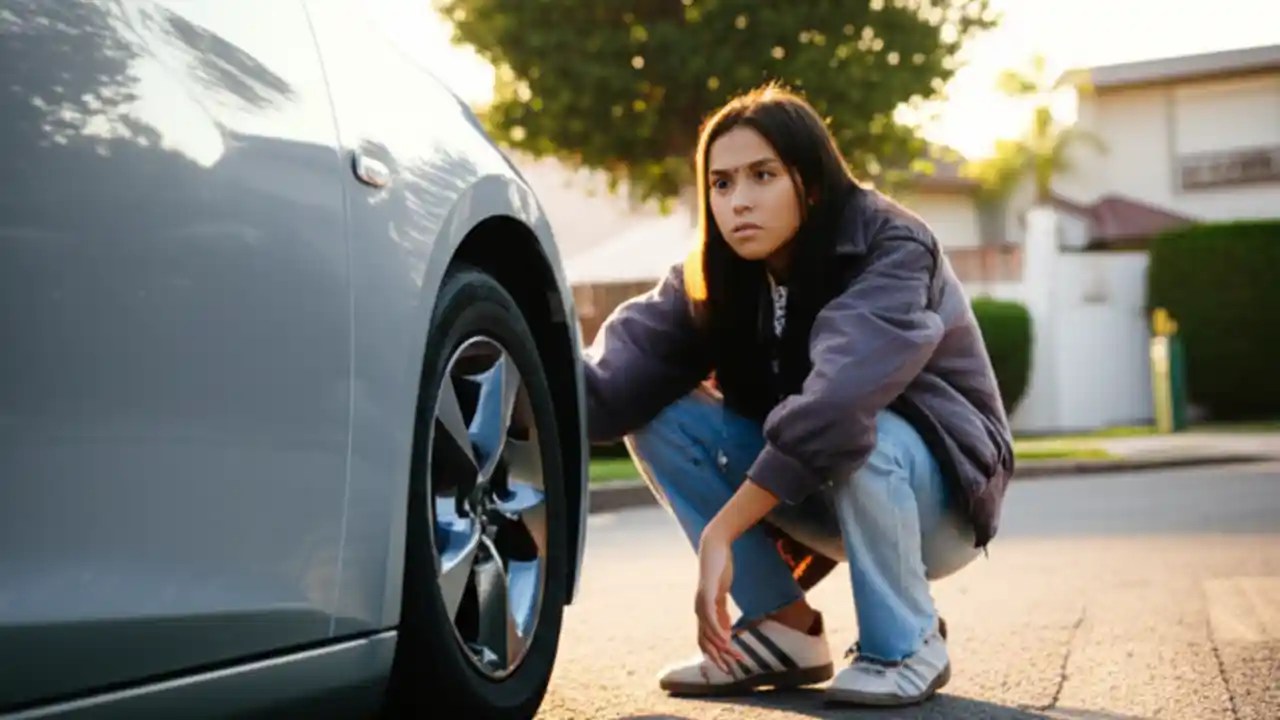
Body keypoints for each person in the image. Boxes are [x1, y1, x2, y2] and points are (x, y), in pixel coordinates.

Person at [582, 83, 1014, 707]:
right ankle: (781, 630)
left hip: (939, 502)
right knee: (659, 416)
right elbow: (604, 386)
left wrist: (721, 533)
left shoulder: (890, 245)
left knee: (866, 426)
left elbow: (839, 406)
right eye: (722, 183)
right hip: (820, 491)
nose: (739, 202)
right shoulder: (712, 275)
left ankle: (906, 641)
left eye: (762, 175)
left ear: (809, 182)